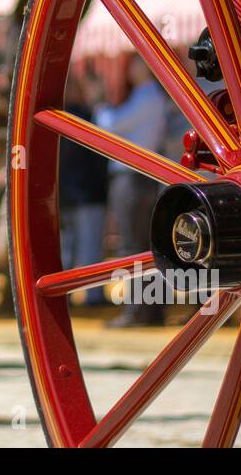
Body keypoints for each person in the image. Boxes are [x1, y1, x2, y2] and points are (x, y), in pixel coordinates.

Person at [96, 53, 170, 327]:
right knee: (149, 246)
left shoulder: (145, 97)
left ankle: (136, 310)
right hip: (147, 176)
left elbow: (107, 125)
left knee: (133, 245)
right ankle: (151, 310)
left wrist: (101, 103)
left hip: (130, 177)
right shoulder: (152, 96)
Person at [57, 68, 109, 306]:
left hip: (66, 194)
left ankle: (63, 294)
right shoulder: (86, 116)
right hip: (88, 193)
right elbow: (97, 160)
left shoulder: (58, 119)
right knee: (89, 248)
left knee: (66, 250)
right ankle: (92, 295)